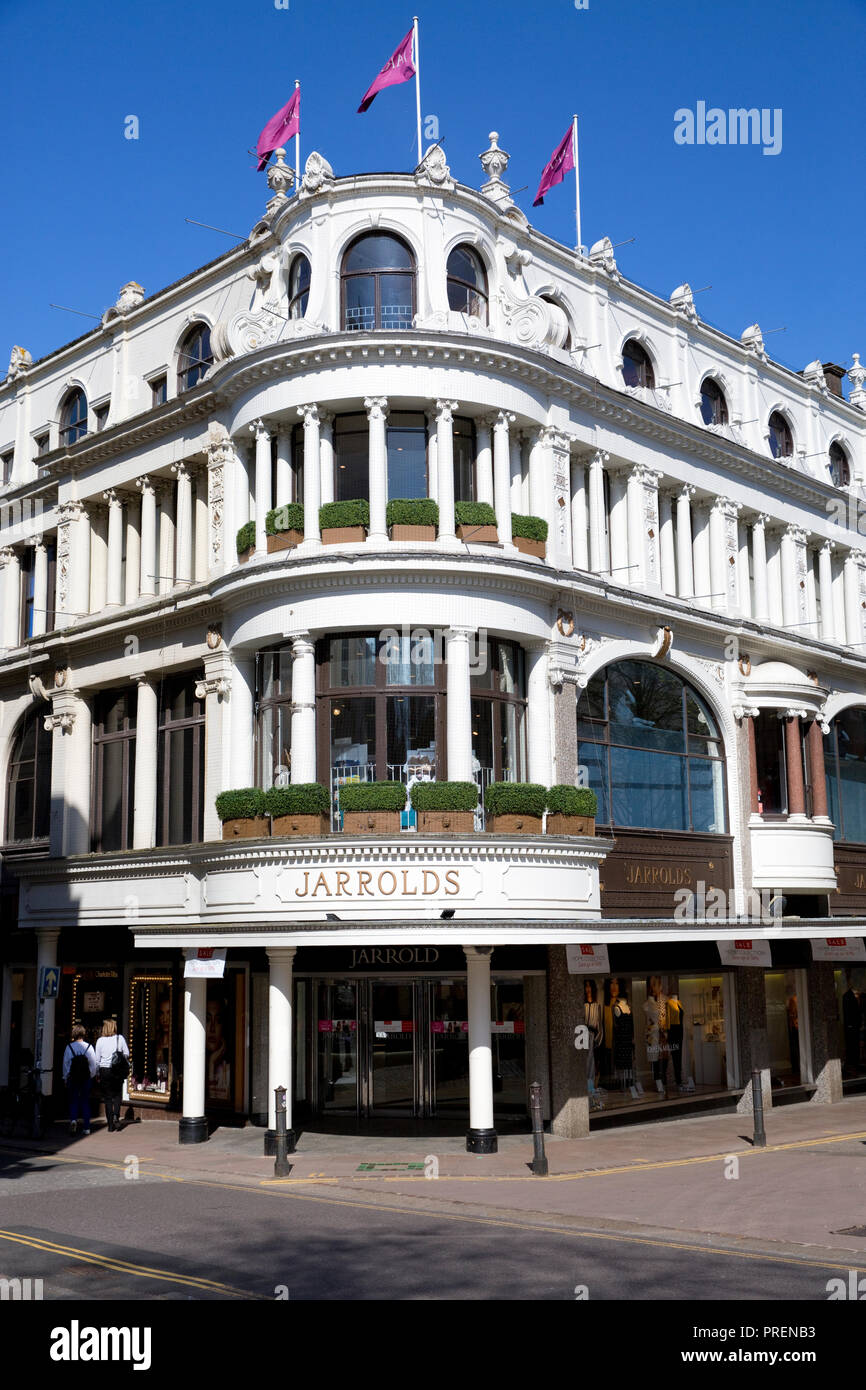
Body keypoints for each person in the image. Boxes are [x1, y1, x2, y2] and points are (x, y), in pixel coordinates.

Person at [95, 1019, 130, 1132]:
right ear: (114, 1027)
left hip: (104, 1070)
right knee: (117, 1094)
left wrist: (96, 1073)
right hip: (116, 1070)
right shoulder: (120, 1039)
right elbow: (127, 1054)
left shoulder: (100, 1041)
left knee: (108, 1098)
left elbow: (97, 1059)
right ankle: (116, 1116)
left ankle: (110, 1125)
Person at [63, 1024, 97, 1136]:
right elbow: (93, 1064)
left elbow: (66, 1064)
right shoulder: (89, 1047)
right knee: (85, 1101)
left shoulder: (69, 1047)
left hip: (73, 1077)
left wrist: (65, 1077)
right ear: (83, 1034)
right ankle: (86, 1127)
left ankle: (73, 1120)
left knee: (73, 1100)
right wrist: (91, 1075)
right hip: (85, 1078)